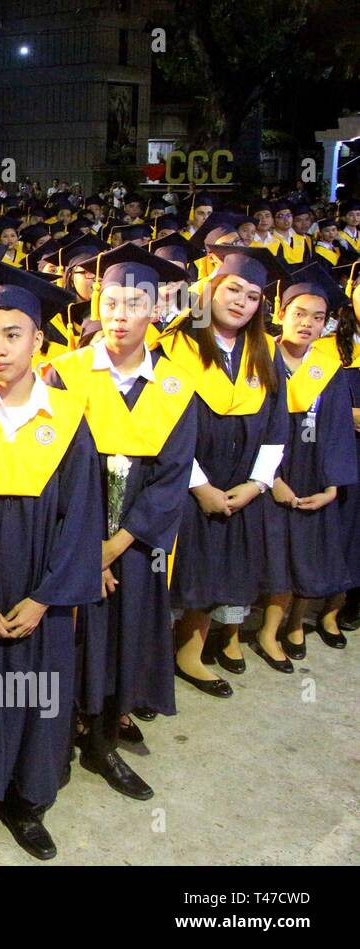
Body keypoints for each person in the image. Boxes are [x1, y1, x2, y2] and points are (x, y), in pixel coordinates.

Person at [0, 263, 103, 864]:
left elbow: (82, 519)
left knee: (36, 697)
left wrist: (45, 597)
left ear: (38, 340)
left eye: (12, 334)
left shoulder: (68, 419)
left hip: (41, 596)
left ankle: (25, 800)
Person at [44, 244, 198, 801]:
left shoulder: (178, 385)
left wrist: (115, 546)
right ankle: (59, 737)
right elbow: (51, 468)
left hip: (136, 547)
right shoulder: (64, 374)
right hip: (70, 537)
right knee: (70, 638)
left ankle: (104, 739)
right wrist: (87, 549)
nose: (119, 314)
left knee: (125, 636)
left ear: (155, 311)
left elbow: (172, 476)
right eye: (110, 301)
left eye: (135, 303)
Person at [160, 246, 290, 694]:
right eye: (233, 289)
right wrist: (200, 486)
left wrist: (257, 484)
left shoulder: (264, 351)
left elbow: (277, 426)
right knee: (175, 575)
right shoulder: (177, 347)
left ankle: (190, 653)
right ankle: (152, 660)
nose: (241, 301)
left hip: (240, 487)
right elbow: (165, 424)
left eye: (253, 296)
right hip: (185, 483)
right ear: (210, 290)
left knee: (217, 572)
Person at [259, 268, 356, 660]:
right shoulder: (261, 359)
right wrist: (271, 477)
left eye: (318, 317)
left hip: (313, 471)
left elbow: (336, 429)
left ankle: (297, 624)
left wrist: (332, 484)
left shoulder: (327, 368)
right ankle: (267, 631)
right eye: (300, 313)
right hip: (270, 471)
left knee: (309, 551)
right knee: (277, 557)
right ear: (281, 313)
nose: (308, 323)